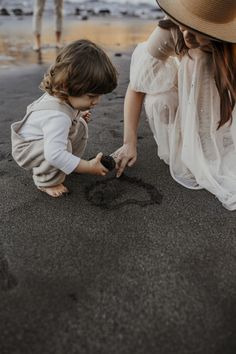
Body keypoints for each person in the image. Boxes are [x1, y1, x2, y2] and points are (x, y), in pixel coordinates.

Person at [113, 0, 236, 210]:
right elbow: (136, 87)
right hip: (182, 97)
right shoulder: (170, 29)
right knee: (161, 100)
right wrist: (129, 142)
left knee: (204, 61)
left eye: (198, 30)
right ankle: (183, 141)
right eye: (184, 24)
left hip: (221, 104)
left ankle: (212, 137)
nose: (186, 36)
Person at [11, 39, 117, 197]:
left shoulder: (64, 98)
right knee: (61, 150)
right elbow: (54, 153)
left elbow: (63, 115)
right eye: (92, 96)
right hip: (28, 149)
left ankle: (70, 163)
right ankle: (46, 181)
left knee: (80, 124)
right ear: (68, 86)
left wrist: (79, 115)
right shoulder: (57, 116)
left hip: (43, 141)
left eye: (100, 95)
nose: (97, 101)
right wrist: (87, 167)